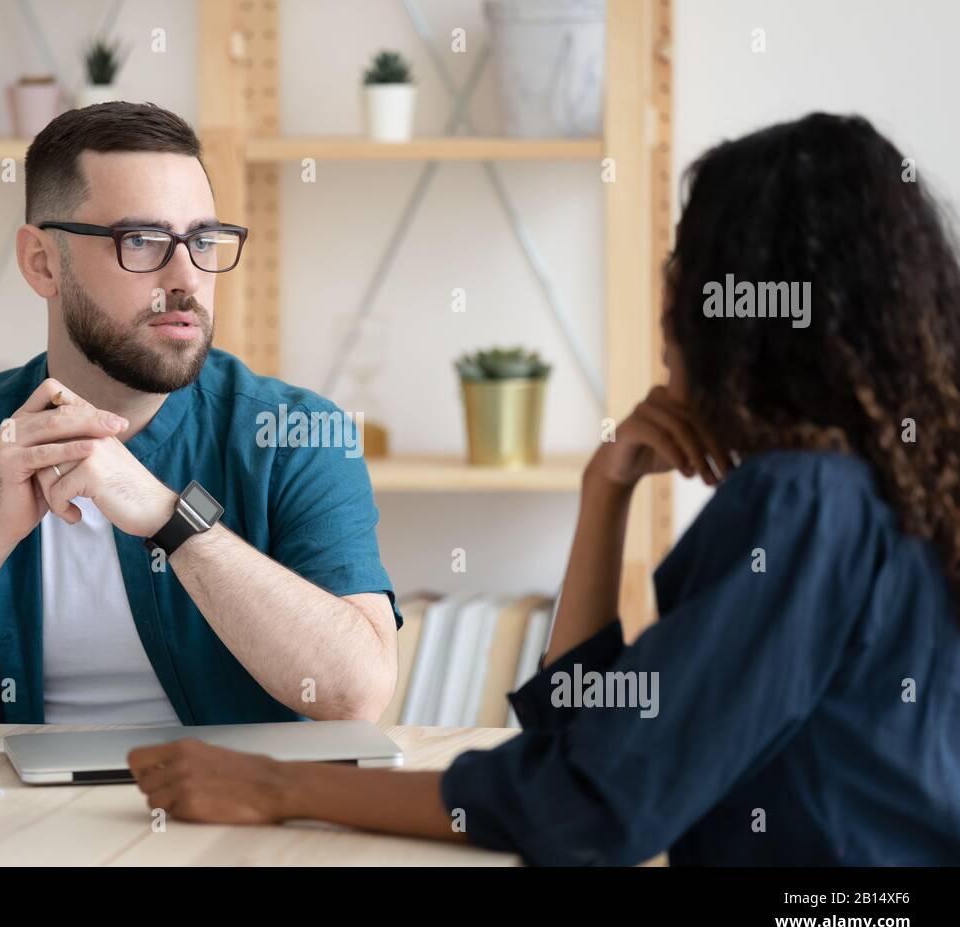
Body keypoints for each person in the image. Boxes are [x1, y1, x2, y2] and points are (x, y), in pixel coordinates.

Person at [127, 113, 960, 865]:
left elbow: (588, 809)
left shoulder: (807, 504)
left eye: (687, 263)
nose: (669, 293)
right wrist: (607, 493)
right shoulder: (896, 487)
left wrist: (278, 790)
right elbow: (584, 730)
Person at [0, 102, 399, 729]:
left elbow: (355, 692)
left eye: (203, 240)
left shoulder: (296, 435)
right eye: (141, 241)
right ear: (42, 263)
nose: (185, 277)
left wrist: (169, 517)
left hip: (222, 815)